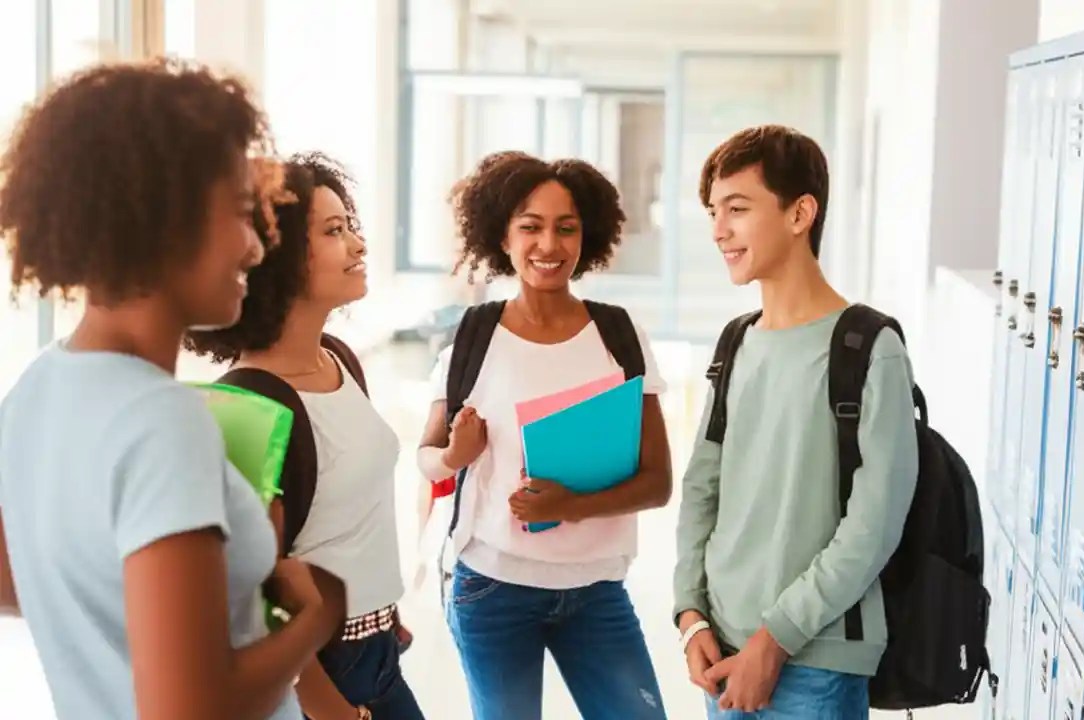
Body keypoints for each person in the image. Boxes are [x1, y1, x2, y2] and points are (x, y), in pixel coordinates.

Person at [0, 60, 347, 720]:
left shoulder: (35, 392)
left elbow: (27, 582)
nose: (254, 248)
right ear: (162, 215)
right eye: (243, 215)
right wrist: (317, 614)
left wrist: (205, 584)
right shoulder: (161, 420)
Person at [672, 125, 919, 719]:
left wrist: (775, 639)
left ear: (799, 213)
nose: (718, 231)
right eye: (713, 212)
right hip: (725, 648)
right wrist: (690, 614)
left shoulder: (869, 346)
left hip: (817, 659)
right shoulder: (735, 342)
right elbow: (701, 487)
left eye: (737, 209)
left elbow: (874, 524)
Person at [416, 151, 672, 720]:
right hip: (493, 587)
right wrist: (457, 453)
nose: (548, 246)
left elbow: (658, 483)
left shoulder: (619, 335)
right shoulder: (475, 337)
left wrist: (573, 505)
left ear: (589, 236)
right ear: (502, 236)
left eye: (566, 228)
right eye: (530, 227)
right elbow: (427, 458)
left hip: (597, 591)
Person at [186, 153, 423, 720]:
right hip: (320, 674)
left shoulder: (339, 361)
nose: (359, 245)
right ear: (276, 256)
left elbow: (346, 512)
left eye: (351, 226)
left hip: (379, 650)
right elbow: (250, 591)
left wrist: (380, 615)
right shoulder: (244, 404)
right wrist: (323, 704)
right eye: (334, 231)